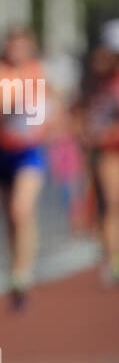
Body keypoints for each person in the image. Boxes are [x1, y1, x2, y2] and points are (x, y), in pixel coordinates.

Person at [0, 26, 57, 311]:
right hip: (3, 151)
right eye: (11, 45)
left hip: (29, 152)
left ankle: (22, 274)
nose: (15, 51)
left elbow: (53, 105)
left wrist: (49, 121)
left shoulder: (38, 71)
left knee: (21, 210)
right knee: (10, 220)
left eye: (20, 46)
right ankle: (16, 268)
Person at [76, 22, 119, 284]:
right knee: (110, 204)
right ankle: (112, 257)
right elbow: (81, 112)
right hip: (106, 153)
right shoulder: (94, 83)